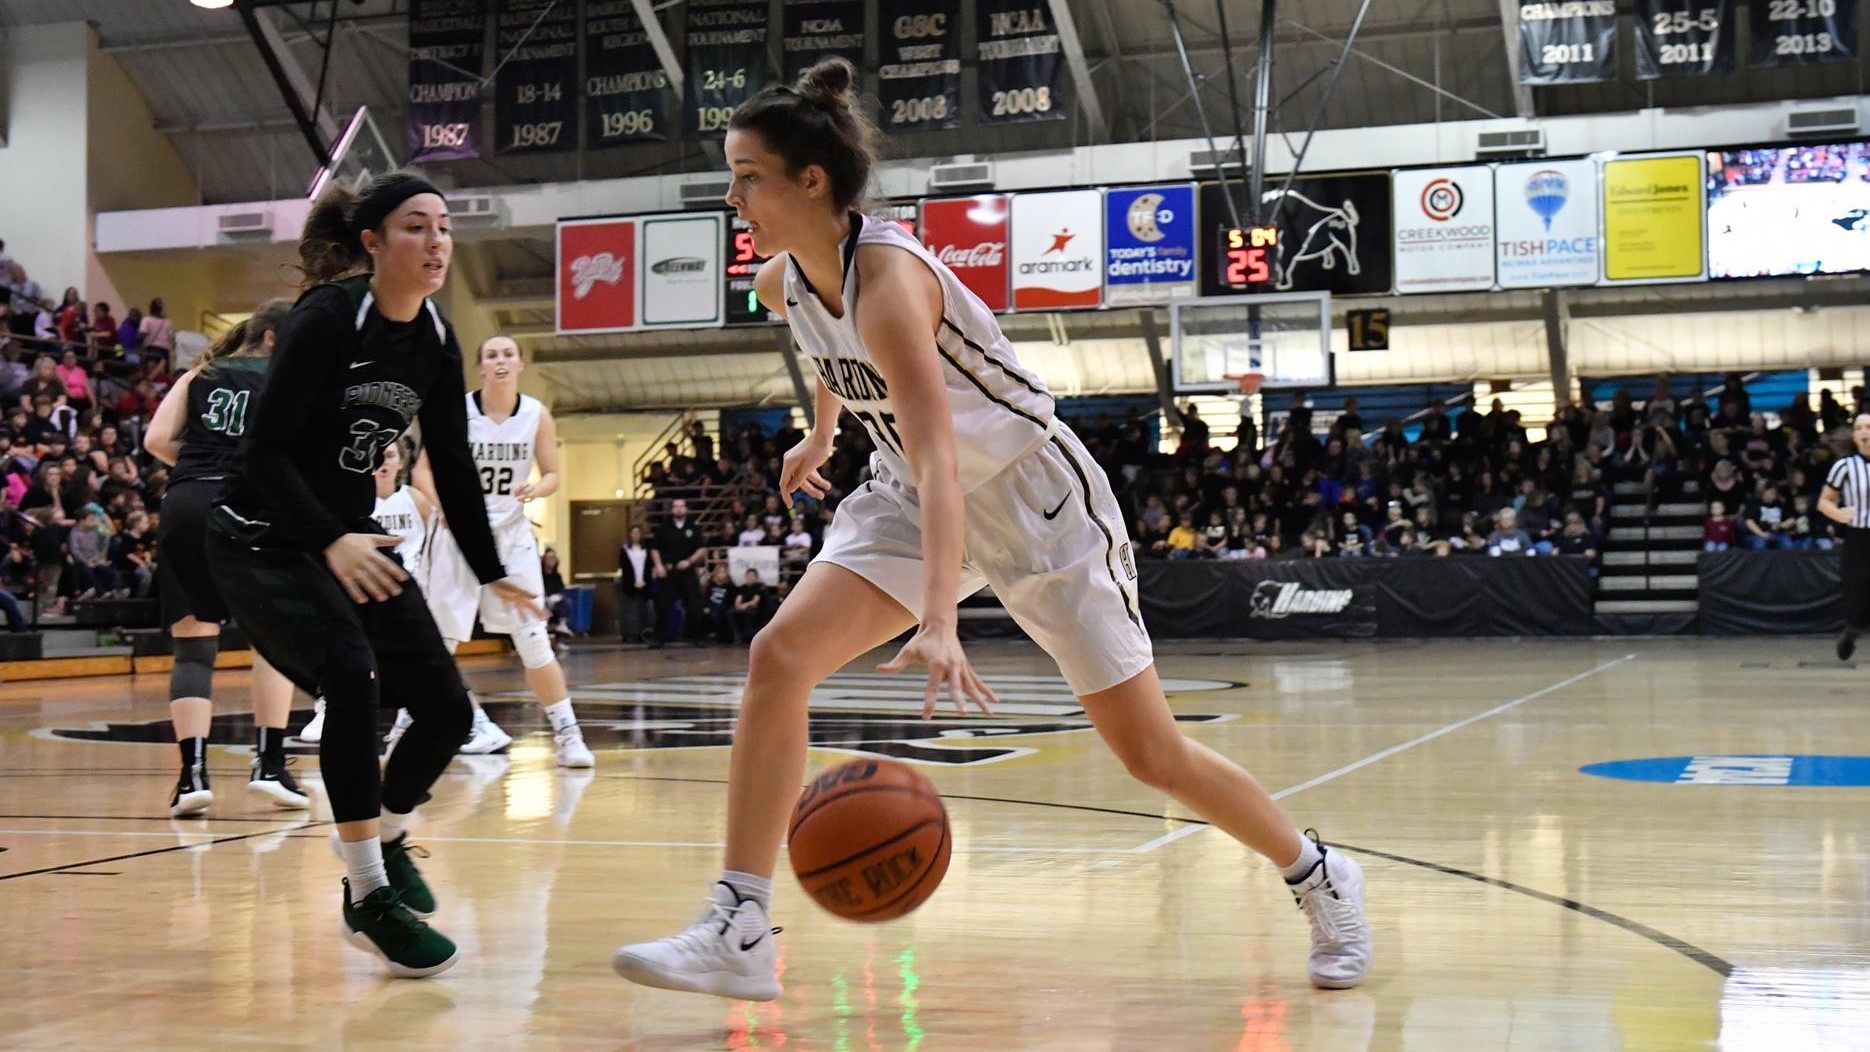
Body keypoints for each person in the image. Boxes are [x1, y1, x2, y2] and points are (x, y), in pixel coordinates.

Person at [611, 59, 1371, 1002]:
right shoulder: (782, 280)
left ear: (812, 181)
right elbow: (824, 341)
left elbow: (942, 459)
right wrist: (822, 431)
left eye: (748, 176)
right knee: (779, 656)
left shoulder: (891, 282)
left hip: (1034, 501)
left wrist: (937, 618)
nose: (733, 196)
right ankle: (739, 920)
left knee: (1150, 754)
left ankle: (1319, 872)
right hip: (907, 491)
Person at [204, 171, 542, 977]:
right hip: (263, 536)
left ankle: (386, 838)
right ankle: (365, 891)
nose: (436, 244)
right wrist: (329, 539)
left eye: (445, 229)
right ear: (372, 242)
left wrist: (495, 571)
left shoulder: (432, 336)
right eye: (416, 227)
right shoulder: (327, 320)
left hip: (347, 539)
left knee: (447, 713)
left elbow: (454, 468)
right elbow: (266, 453)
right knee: (353, 679)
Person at [143, 299, 308, 816]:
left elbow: (155, 440)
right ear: (274, 340)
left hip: (187, 502)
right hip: (248, 503)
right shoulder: (285, 381)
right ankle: (270, 765)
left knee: (193, 650)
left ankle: (192, 778)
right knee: (272, 643)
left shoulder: (198, 375)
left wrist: (199, 465)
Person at [409, 334, 593, 767]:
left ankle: (567, 732)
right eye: (491, 354)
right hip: (457, 536)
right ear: (481, 367)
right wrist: (444, 507)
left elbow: (552, 475)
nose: (501, 361)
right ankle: (409, 724)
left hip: (510, 536)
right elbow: (422, 470)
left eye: (508, 354)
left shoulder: (536, 414)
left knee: (533, 640)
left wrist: (536, 488)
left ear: (520, 364)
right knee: (441, 641)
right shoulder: (455, 408)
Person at [299, 437, 433, 746]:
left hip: (408, 591)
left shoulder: (417, 501)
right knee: (344, 649)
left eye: (390, 456)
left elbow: (439, 545)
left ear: (402, 462)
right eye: (380, 457)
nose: (385, 463)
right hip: (361, 587)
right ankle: (327, 707)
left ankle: (412, 717)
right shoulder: (352, 502)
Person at [1819, 414, 1870, 660]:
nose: (1864, 431)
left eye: (1868, 427)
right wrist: (1839, 514)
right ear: (1854, 436)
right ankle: (1852, 631)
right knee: (1857, 590)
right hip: (1858, 536)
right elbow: (1824, 501)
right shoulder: (1845, 466)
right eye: (1859, 428)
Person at [618, 523, 654, 642]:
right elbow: (624, 567)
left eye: (638, 533)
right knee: (629, 610)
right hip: (630, 583)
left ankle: (641, 633)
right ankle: (628, 633)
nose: (635, 535)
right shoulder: (624, 549)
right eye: (633, 533)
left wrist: (645, 581)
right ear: (630, 535)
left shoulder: (646, 549)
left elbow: (649, 566)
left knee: (643, 609)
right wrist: (632, 582)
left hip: (644, 582)